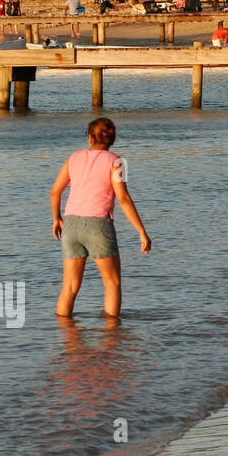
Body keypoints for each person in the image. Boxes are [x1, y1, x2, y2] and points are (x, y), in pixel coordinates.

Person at [50, 117, 151, 318]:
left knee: (70, 286)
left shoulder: (73, 158)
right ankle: (112, 336)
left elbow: (55, 192)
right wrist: (142, 232)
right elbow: (123, 198)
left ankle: (65, 336)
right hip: (98, 225)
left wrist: (57, 218)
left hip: (70, 224)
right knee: (112, 282)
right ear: (112, 140)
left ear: (89, 138)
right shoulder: (117, 162)